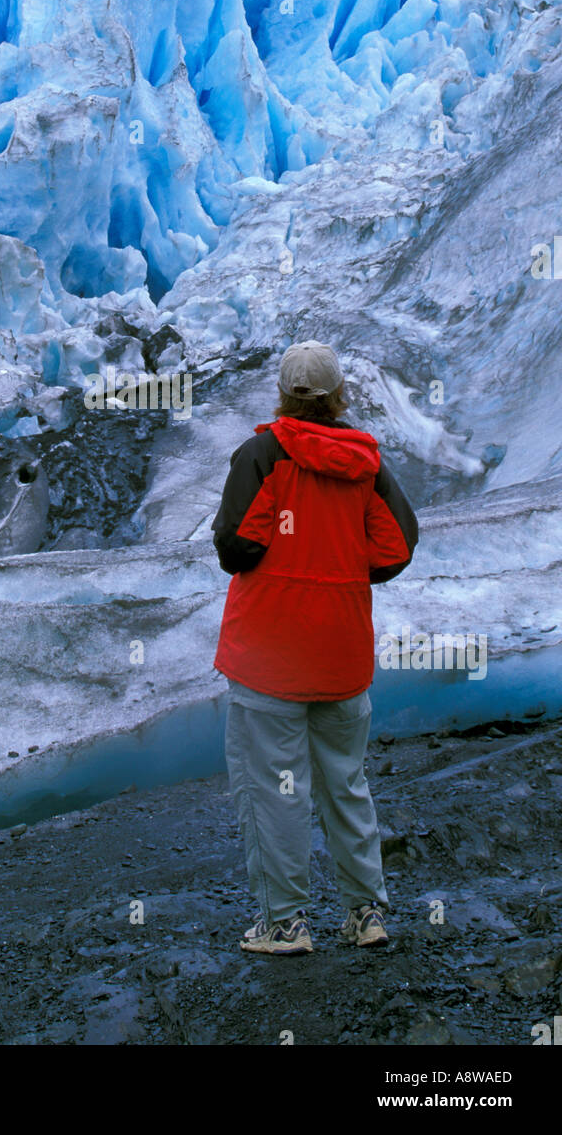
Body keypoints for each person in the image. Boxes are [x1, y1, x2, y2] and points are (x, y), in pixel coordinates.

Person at [211, 340, 418, 956]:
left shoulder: (262, 454)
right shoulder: (366, 462)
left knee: (276, 790)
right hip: (342, 655)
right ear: (338, 396)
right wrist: (340, 570)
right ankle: (365, 915)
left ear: (283, 393)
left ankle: (285, 924)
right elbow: (396, 547)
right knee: (346, 784)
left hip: (268, 659)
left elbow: (235, 546)